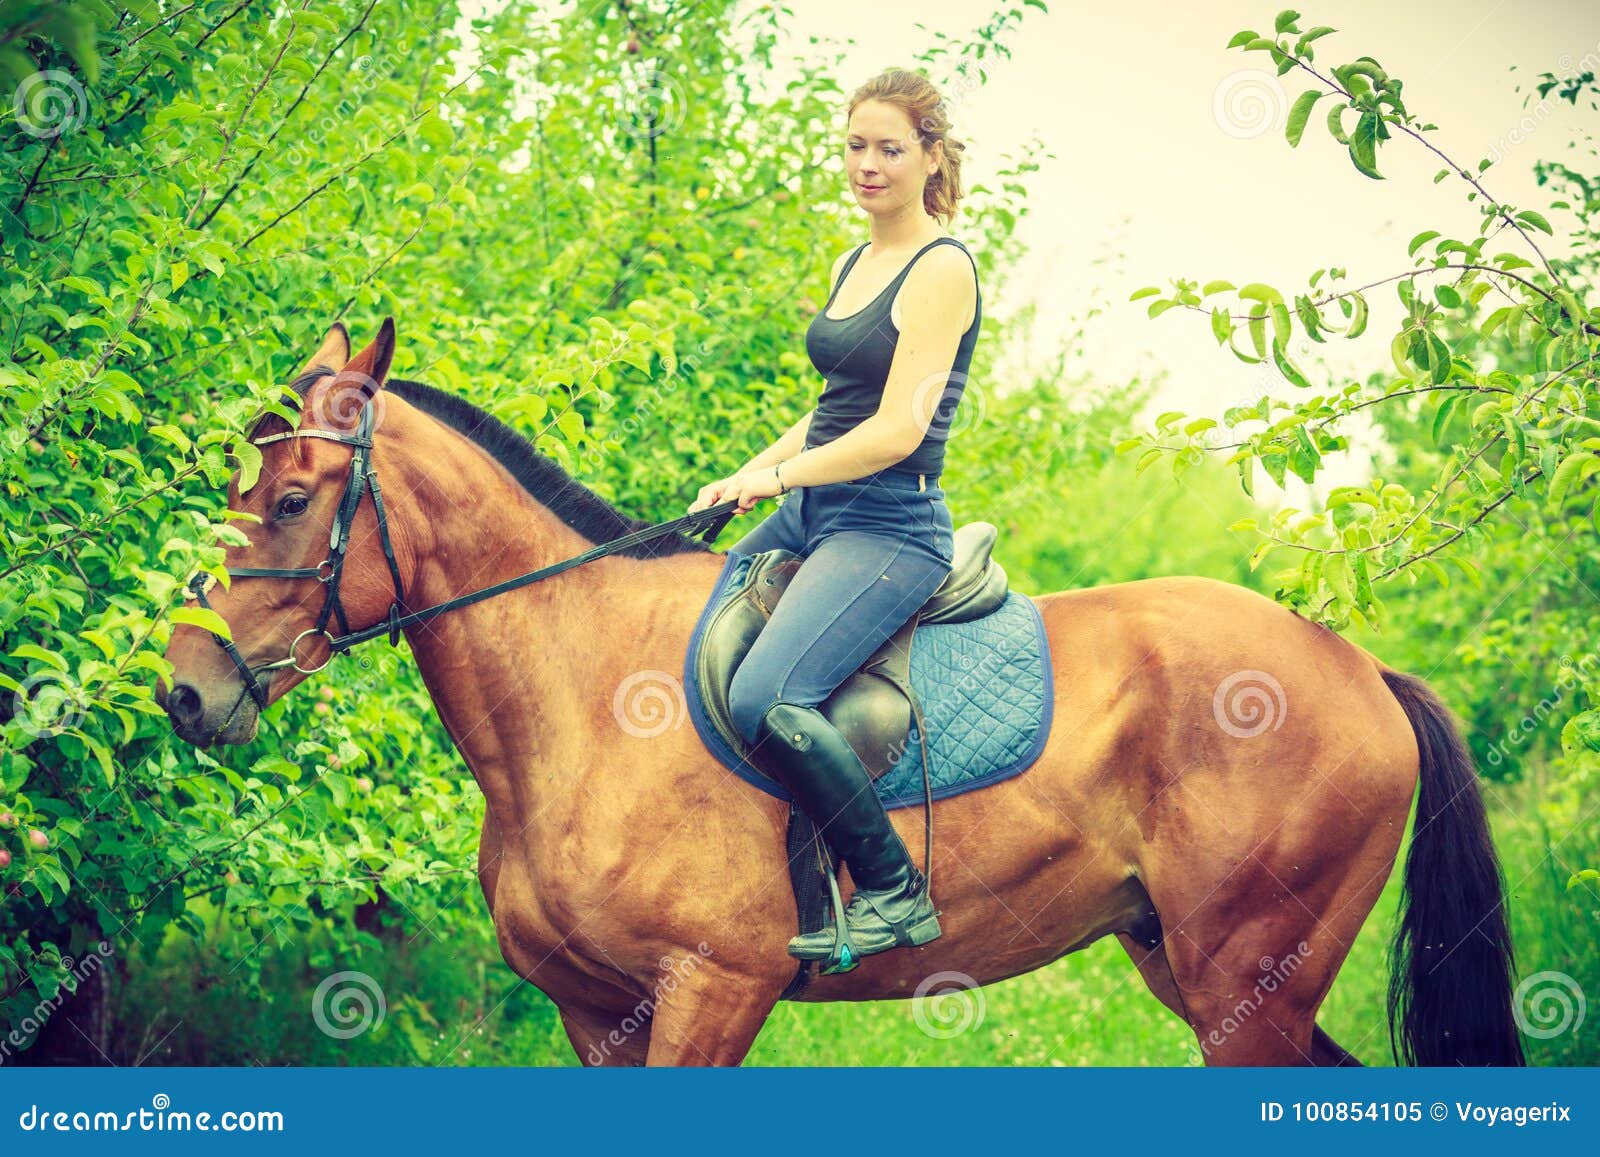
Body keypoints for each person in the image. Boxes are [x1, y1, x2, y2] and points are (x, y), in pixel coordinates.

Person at [687, 67, 982, 972]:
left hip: (891, 527)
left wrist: (778, 477)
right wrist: (744, 475)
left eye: (890, 148)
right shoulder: (854, 261)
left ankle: (893, 888)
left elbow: (895, 432)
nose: (868, 165)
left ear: (930, 157)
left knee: (764, 695)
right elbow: (834, 409)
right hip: (816, 508)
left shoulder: (943, 269)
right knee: (689, 620)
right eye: (856, 146)